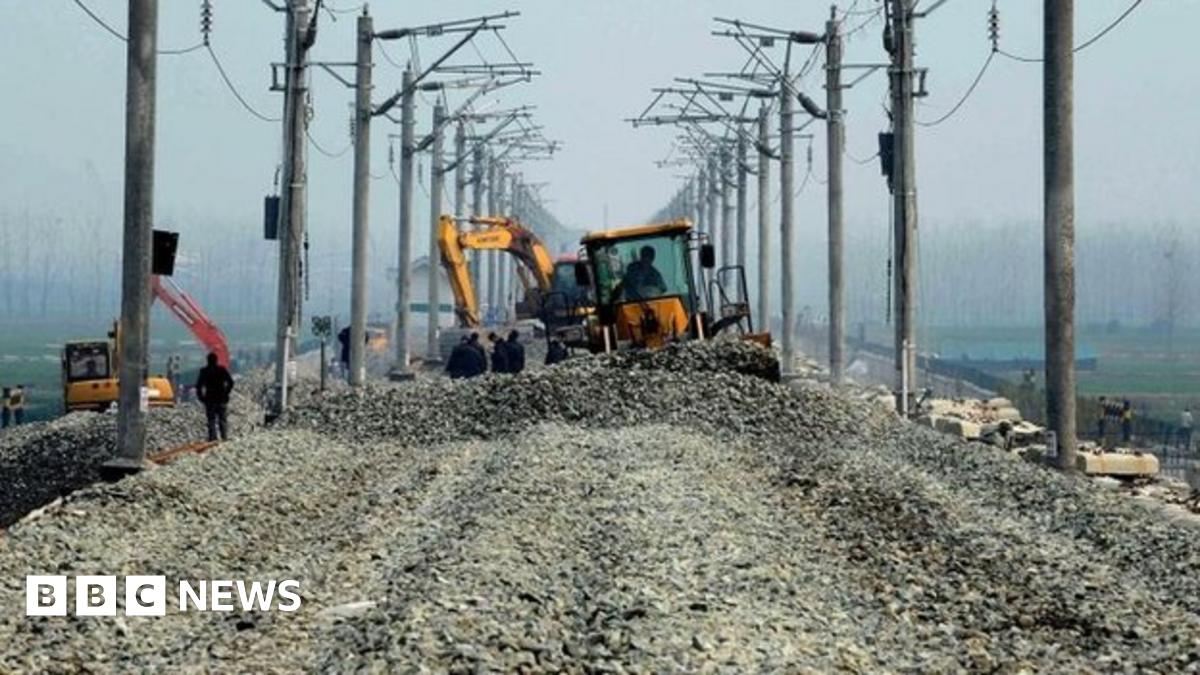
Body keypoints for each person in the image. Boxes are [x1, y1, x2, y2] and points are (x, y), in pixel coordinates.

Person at [195, 352, 235, 442]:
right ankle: (224, 437)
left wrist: (201, 397)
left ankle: (212, 438)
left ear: (207, 360)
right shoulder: (222, 370)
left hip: (210, 399)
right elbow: (231, 382)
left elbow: (199, 386)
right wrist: (226, 393)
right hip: (221, 398)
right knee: (222, 419)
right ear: (216, 360)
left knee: (211, 420)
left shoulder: (204, 371)